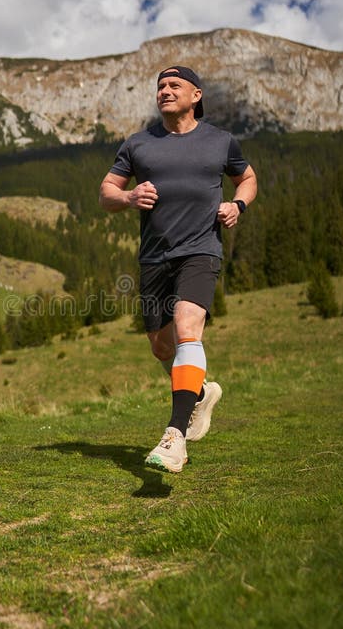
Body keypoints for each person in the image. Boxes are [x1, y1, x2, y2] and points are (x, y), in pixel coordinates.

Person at [99, 65, 257, 473]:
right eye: (161, 86)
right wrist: (129, 196)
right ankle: (199, 392)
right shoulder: (138, 144)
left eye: (174, 85)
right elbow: (106, 192)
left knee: (188, 325)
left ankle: (175, 437)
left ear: (196, 95)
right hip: (154, 257)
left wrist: (237, 205)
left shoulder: (220, 141)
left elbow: (248, 178)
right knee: (161, 346)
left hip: (200, 250)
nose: (165, 91)